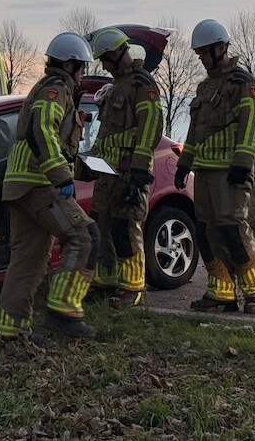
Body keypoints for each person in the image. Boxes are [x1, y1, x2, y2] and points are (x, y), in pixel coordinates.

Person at [0, 32, 100, 341]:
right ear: (68, 64)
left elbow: (52, 143)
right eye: (81, 68)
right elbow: (42, 130)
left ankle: (10, 330)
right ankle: (63, 313)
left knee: (29, 257)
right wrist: (61, 177)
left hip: (20, 184)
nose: (83, 75)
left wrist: (81, 170)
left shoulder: (45, 90)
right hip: (39, 183)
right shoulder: (57, 90)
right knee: (84, 236)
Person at [174, 19, 255, 314]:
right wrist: (183, 164)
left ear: (220, 48)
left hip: (230, 171)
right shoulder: (205, 87)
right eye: (199, 53)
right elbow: (195, 131)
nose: (201, 58)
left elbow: (251, 125)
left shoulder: (242, 84)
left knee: (231, 229)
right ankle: (221, 292)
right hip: (203, 170)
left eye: (204, 52)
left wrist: (243, 164)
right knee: (206, 231)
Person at [86, 27, 163, 310]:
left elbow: (150, 128)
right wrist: (88, 166)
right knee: (101, 224)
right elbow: (106, 136)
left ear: (120, 53)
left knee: (124, 227)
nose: (104, 64)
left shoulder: (142, 85)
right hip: (107, 172)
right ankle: (105, 282)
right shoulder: (115, 87)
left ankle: (132, 286)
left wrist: (140, 170)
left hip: (129, 171)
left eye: (106, 58)